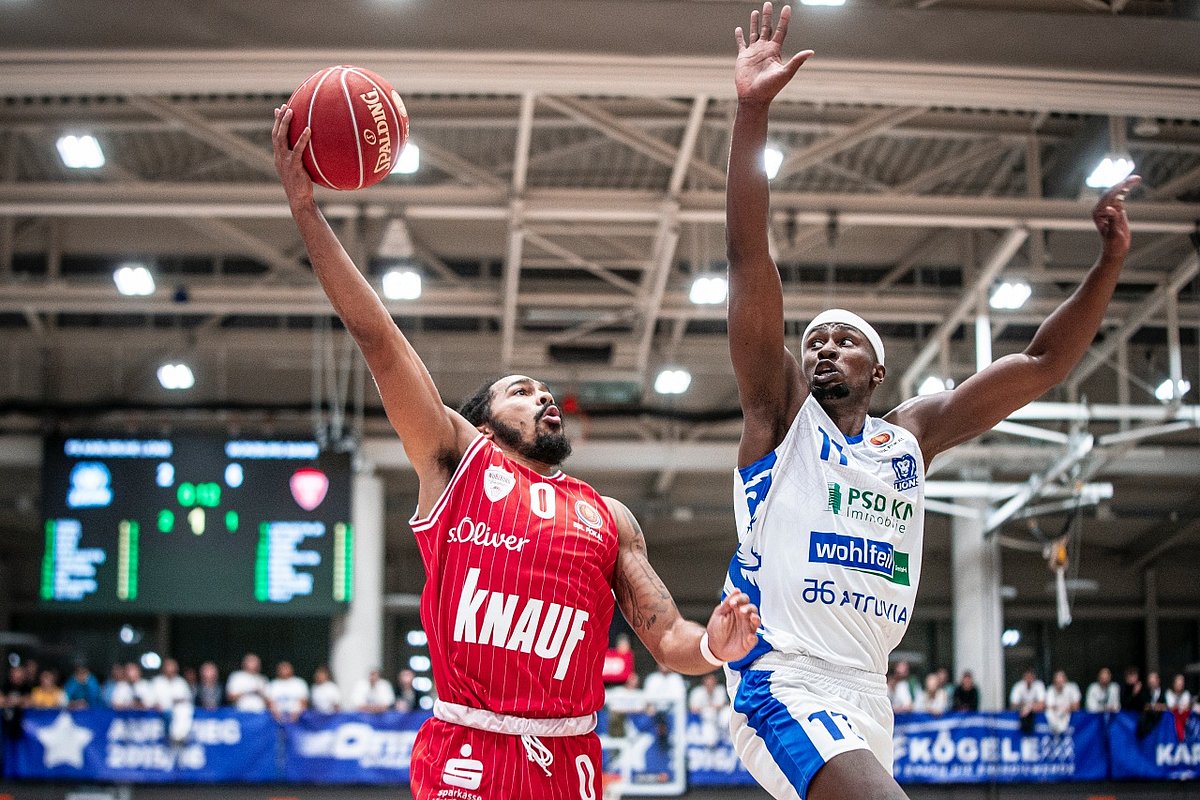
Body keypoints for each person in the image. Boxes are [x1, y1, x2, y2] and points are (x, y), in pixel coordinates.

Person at [272, 103, 762, 800]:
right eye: (520, 391)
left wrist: (714, 646)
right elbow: (380, 340)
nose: (543, 397)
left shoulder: (609, 517)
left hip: (571, 757)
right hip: (467, 750)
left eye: (546, 391)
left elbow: (667, 638)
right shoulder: (456, 462)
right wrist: (306, 213)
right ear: (480, 421)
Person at [720, 5, 1140, 798]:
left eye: (845, 340)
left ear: (879, 372)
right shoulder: (780, 418)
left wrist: (1108, 264)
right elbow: (748, 259)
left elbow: (1043, 362)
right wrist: (752, 114)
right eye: (815, 340)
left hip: (868, 690)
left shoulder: (910, 438)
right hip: (785, 680)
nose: (823, 347)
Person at [1044, 670, 1080, 735]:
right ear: (1054, 682)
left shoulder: (1072, 687)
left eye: (1061, 681)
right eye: (1057, 682)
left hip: (1068, 713)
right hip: (1055, 715)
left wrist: (1068, 708)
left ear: (1065, 680)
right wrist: (1059, 708)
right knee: (1049, 713)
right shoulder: (1050, 689)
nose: (1059, 684)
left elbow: (1076, 705)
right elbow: (1048, 706)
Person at [1009, 669, 1047, 733]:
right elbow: (1013, 705)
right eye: (1027, 677)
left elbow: (1042, 704)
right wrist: (1024, 707)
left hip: (1034, 714)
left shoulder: (1039, 685)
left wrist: (1029, 708)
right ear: (1024, 677)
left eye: (1031, 677)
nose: (1029, 679)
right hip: (1022, 713)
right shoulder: (1018, 686)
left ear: (1034, 677)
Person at [1165, 673, 1192, 741]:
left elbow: (1187, 707)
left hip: (1184, 719)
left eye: (1182, 683)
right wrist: (1180, 707)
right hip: (1172, 720)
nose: (1180, 685)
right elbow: (1170, 707)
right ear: (1174, 683)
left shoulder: (1186, 693)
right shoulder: (1169, 692)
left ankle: (1184, 737)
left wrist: (1179, 707)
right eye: (1178, 683)